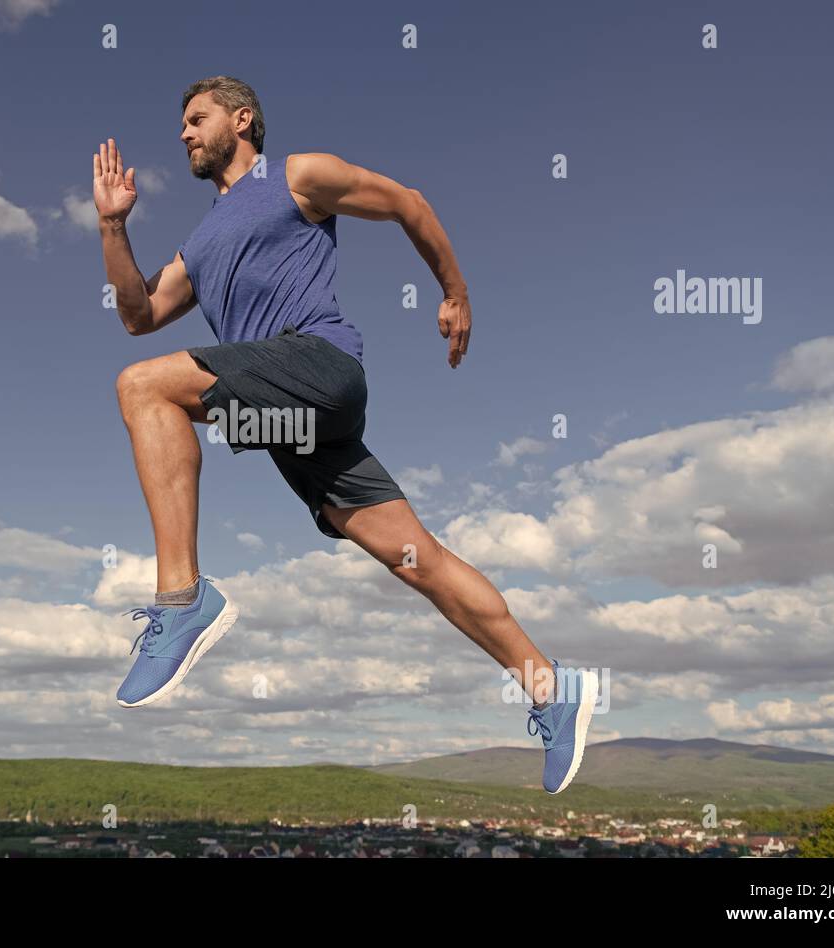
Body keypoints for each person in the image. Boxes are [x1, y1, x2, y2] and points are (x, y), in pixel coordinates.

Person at [93, 76, 597, 793]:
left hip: (320, 368)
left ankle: (182, 602)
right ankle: (551, 688)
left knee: (141, 386)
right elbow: (139, 314)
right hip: (288, 424)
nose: (183, 134)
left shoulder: (298, 176)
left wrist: (453, 290)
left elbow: (407, 204)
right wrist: (113, 226)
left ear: (242, 120)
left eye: (196, 119)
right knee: (414, 557)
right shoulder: (198, 245)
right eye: (181, 124)